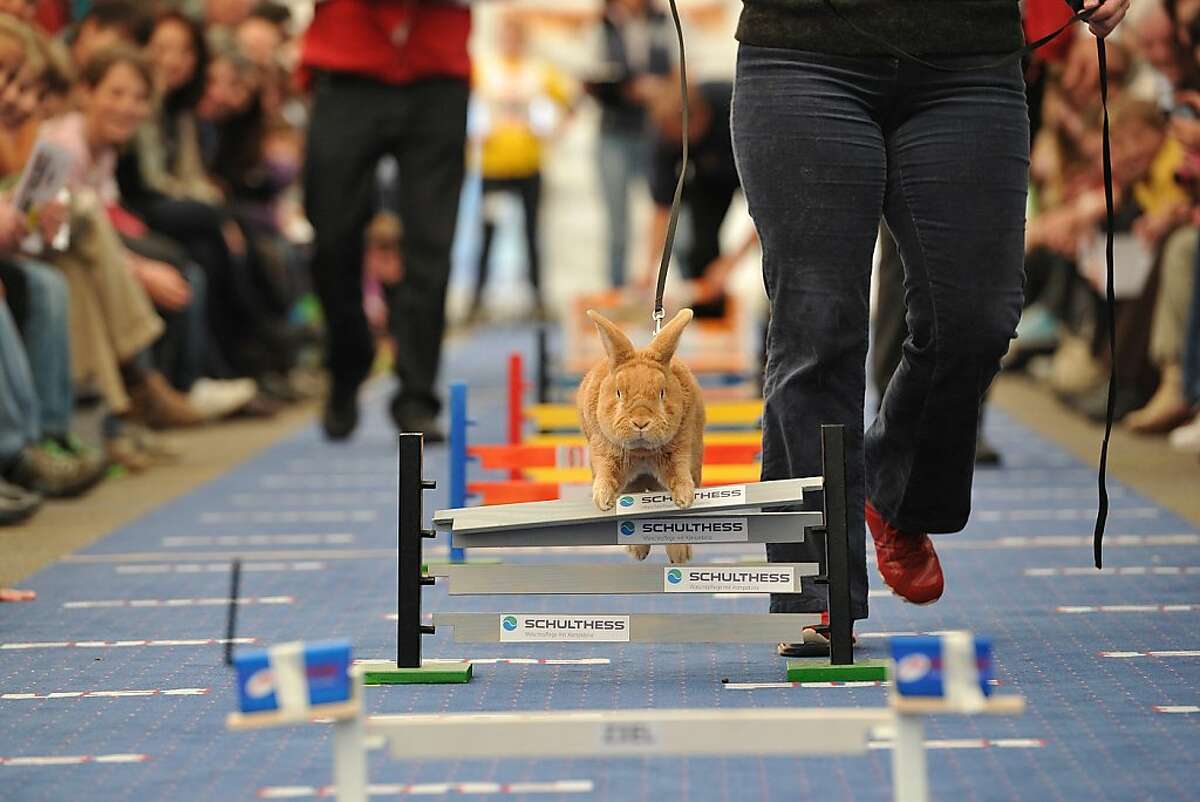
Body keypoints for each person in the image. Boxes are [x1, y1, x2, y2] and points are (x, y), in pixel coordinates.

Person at [730, 0, 1130, 654]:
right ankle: (814, 592)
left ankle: (898, 494)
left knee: (976, 319)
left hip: (969, 58)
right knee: (817, 327)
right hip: (802, 50)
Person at [299, 0, 471, 442]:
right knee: (331, 236)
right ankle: (347, 359)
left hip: (437, 69)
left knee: (430, 245)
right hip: (348, 64)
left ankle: (416, 395)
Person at [468, 12, 573, 322]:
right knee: (487, 235)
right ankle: (476, 300)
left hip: (529, 163)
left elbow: (570, 100)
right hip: (493, 166)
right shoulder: (485, 68)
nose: (511, 41)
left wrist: (556, 132)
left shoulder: (538, 70)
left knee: (531, 234)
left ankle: (538, 298)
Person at [638, 77, 756, 319]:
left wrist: (730, 264)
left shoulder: (738, 110)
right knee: (698, 251)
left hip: (750, 168)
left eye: (679, 136)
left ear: (700, 117)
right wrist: (649, 270)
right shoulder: (665, 134)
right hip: (708, 178)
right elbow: (662, 207)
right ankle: (706, 317)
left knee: (778, 253)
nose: (674, 142)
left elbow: (772, 213)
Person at [588, 0, 672, 288]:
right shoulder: (602, 25)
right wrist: (625, 88)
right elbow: (590, 73)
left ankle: (676, 293)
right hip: (614, 132)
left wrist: (659, 89)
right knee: (617, 226)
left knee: (671, 215)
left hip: (653, 131)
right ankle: (616, 293)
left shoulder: (663, 21)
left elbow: (679, 68)